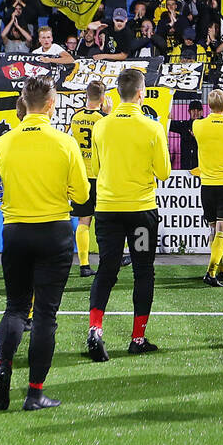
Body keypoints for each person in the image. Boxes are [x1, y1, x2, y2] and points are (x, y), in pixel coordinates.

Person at [0, 76, 88, 411]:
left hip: (16, 232)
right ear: (51, 104)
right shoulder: (64, 142)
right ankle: (34, 393)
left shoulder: (3, 143)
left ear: (24, 103)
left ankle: (2, 373)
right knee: (45, 315)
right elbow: (83, 194)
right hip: (54, 231)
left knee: (15, 308)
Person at [86, 68, 171, 361]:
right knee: (143, 271)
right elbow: (164, 171)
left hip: (108, 208)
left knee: (107, 270)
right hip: (140, 211)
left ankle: (95, 330)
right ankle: (137, 337)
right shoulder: (152, 127)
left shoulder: (102, 126)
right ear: (139, 93)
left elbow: (96, 169)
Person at [193, 89, 223, 287]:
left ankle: (220, 269)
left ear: (208, 106)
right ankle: (211, 272)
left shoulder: (198, 125)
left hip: (208, 183)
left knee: (213, 227)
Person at [68, 80, 108, 278]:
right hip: (99, 175)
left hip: (80, 175)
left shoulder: (75, 117)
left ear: (86, 95)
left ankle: (84, 264)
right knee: (105, 220)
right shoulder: (103, 118)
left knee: (84, 220)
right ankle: (110, 259)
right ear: (102, 98)